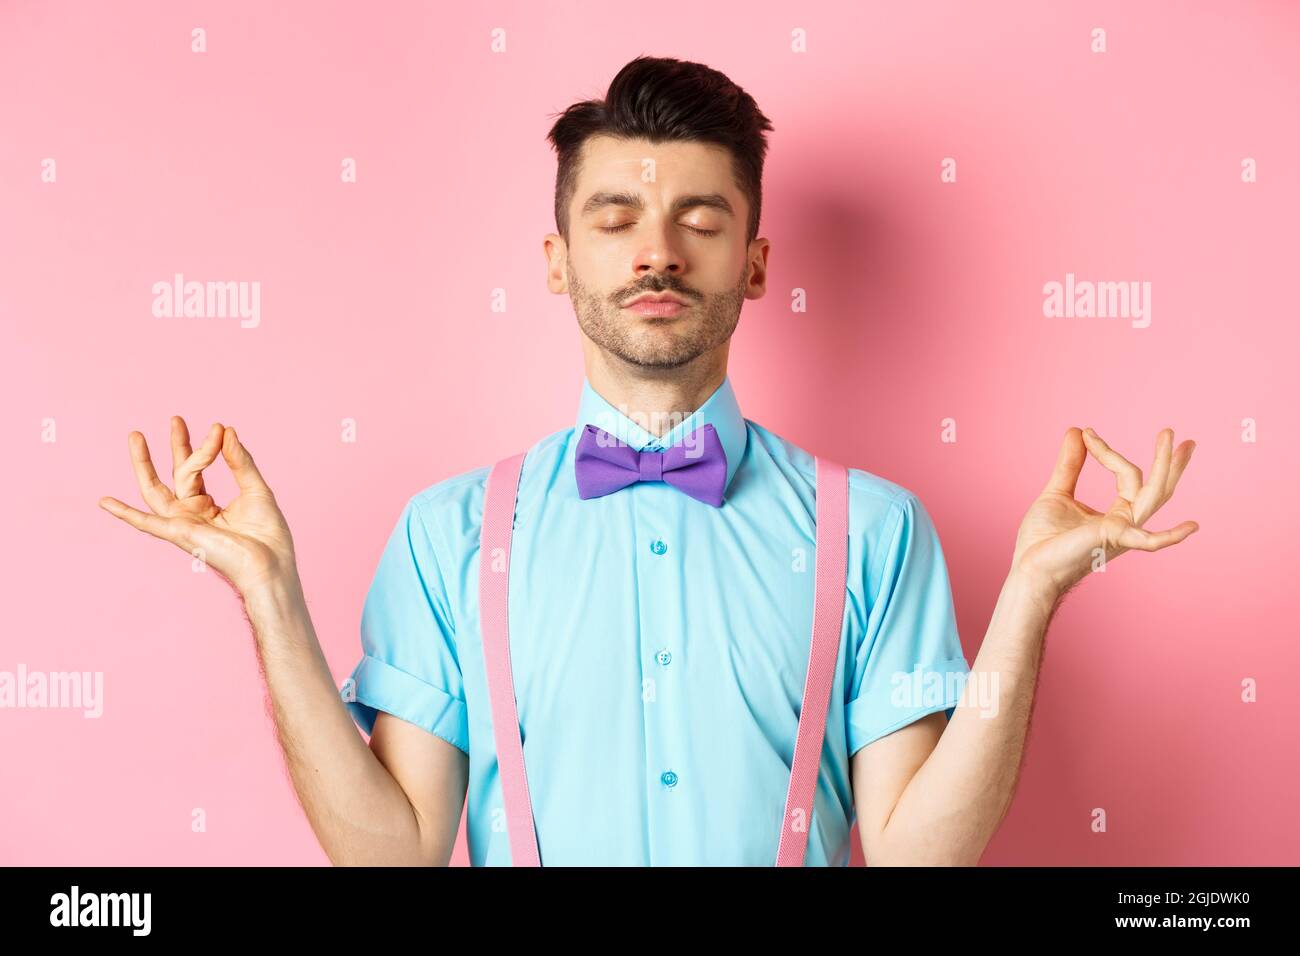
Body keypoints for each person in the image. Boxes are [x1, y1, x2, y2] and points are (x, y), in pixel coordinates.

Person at [98, 55, 1198, 866]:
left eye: (699, 218)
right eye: (615, 215)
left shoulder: (876, 528)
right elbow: (393, 851)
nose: (658, 250)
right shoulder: (446, 533)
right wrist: (269, 594)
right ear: (557, 257)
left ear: (755, 262)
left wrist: (1034, 591)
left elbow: (921, 855)